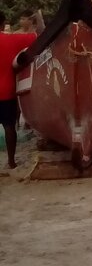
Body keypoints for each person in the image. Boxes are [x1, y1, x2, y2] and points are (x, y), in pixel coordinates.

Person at [1, 10, 42, 168]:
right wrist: (38, 16)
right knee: (9, 126)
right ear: (3, 23)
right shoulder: (12, 39)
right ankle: (11, 162)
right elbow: (40, 34)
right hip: (6, 92)